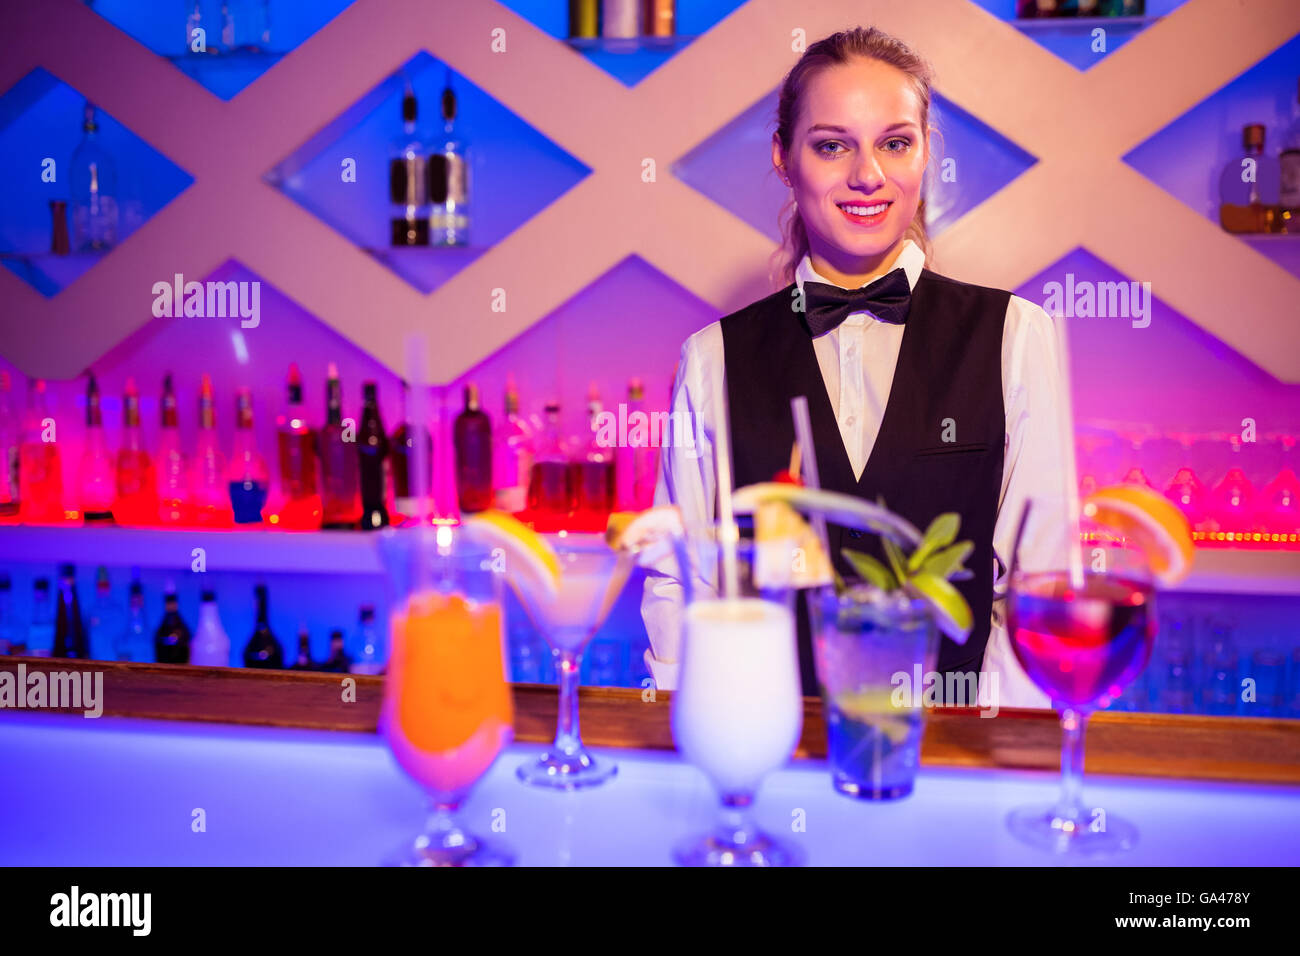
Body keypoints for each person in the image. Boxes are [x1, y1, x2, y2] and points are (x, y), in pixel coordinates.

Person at [640, 26, 1075, 710]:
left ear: (925, 153)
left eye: (894, 142)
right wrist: (703, 735)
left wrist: (987, 748)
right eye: (832, 144)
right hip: (770, 747)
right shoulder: (710, 359)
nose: (867, 174)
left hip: (951, 758)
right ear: (785, 159)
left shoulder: (1017, 337)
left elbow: (1041, 577)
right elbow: (680, 581)